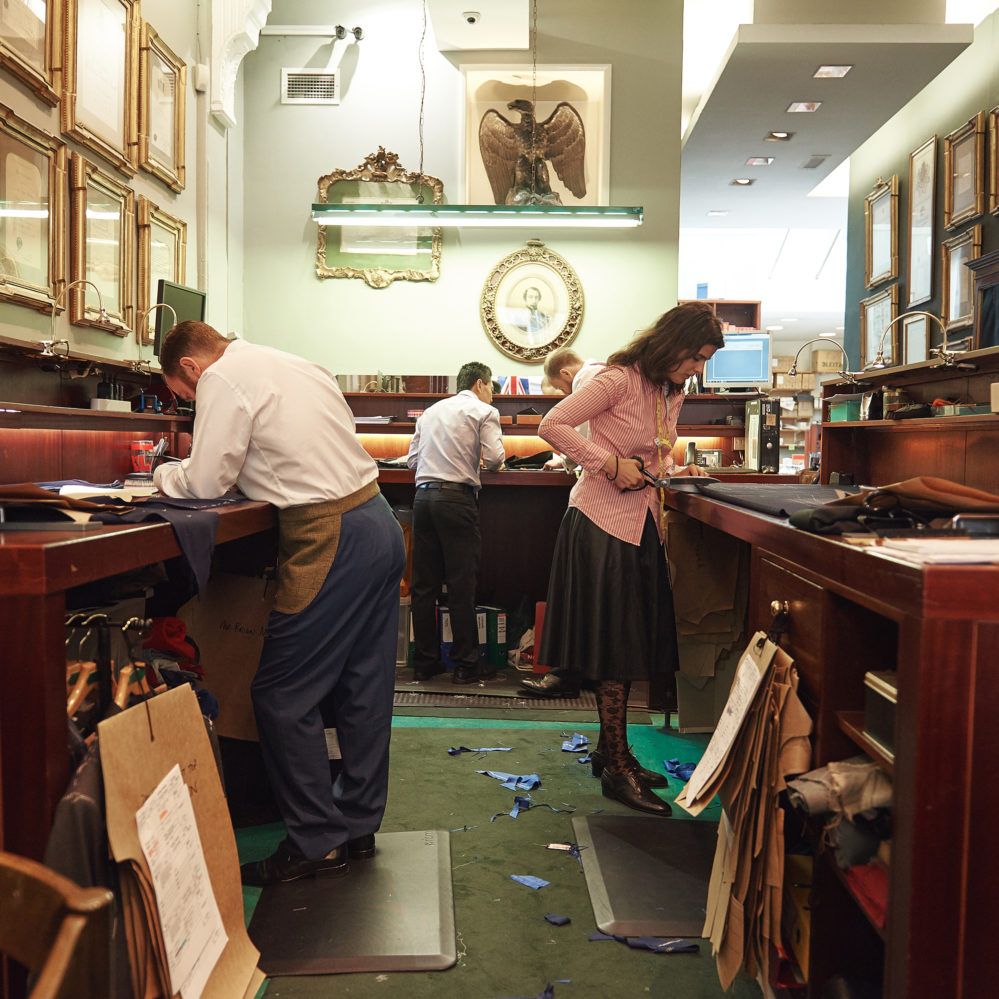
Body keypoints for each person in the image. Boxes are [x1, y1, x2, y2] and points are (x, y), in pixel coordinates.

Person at [153, 322, 405, 884]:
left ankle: (316, 841)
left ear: (191, 369)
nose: (190, 403)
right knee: (361, 686)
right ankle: (357, 824)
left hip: (328, 535)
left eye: (182, 396)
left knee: (281, 693)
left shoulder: (221, 378)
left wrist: (161, 472)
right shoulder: (292, 361)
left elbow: (206, 478)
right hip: (378, 520)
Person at [537, 302, 724, 815]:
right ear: (672, 344)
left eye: (704, 361)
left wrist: (672, 473)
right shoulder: (616, 379)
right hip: (599, 524)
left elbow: (659, 450)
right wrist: (607, 463)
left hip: (642, 523)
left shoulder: (671, 390)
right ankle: (617, 767)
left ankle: (610, 751)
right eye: (696, 358)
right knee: (614, 647)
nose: (697, 370)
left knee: (630, 640)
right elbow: (553, 425)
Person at [407, 362, 505, 684]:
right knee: (462, 584)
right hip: (456, 500)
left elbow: (412, 461)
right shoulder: (483, 412)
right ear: (480, 384)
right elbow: (495, 460)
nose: (493, 394)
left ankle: (424, 663)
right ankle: (466, 665)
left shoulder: (431, 411)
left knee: (424, 586)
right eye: (492, 387)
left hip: (422, 498)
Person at [521, 348, 607, 700]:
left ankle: (565, 672)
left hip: (593, 501)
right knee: (595, 592)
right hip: (613, 502)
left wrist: (565, 459)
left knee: (571, 588)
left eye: (559, 390)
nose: (563, 395)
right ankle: (590, 669)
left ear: (566, 375)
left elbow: (568, 432)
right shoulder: (611, 375)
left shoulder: (589, 379)